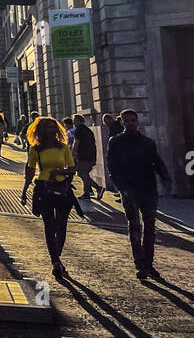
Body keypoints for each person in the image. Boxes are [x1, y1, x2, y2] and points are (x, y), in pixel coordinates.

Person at [107, 109, 172, 280]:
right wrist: (122, 188)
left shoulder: (148, 143)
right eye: (127, 121)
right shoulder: (115, 142)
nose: (130, 123)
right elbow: (112, 168)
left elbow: (157, 162)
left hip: (148, 189)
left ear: (138, 122)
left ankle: (149, 264)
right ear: (122, 123)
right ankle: (140, 264)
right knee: (134, 226)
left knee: (150, 227)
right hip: (129, 190)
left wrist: (166, 179)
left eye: (133, 120)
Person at [20, 116, 76, 279]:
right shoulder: (35, 149)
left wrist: (58, 172)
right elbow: (30, 171)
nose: (52, 130)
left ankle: (56, 258)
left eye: (54, 127)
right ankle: (55, 261)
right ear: (41, 131)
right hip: (43, 190)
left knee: (62, 226)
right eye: (48, 128)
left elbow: (72, 169)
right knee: (49, 226)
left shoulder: (63, 148)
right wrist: (24, 190)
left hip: (62, 190)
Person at [71, 114, 100, 199]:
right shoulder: (87, 130)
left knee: (81, 173)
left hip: (83, 156)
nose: (73, 122)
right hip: (91, 155)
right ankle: (86, 193)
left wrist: (72, 154)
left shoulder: (79, 130)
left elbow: (76, 143)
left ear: (78, 121)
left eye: (75, 120)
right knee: (85, 174)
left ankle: (98, 188)